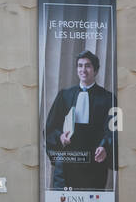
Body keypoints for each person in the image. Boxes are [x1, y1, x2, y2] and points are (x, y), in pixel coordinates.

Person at [43, 49, 116, 190]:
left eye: (88, 66)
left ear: (95, 70)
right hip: (66, 164)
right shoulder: (64, 95)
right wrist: (60, 137)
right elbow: (51, 127)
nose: (83, 69)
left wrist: (105, 146)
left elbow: (114, 130)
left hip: (93, 165)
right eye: (80, 65)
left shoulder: (109, 98)